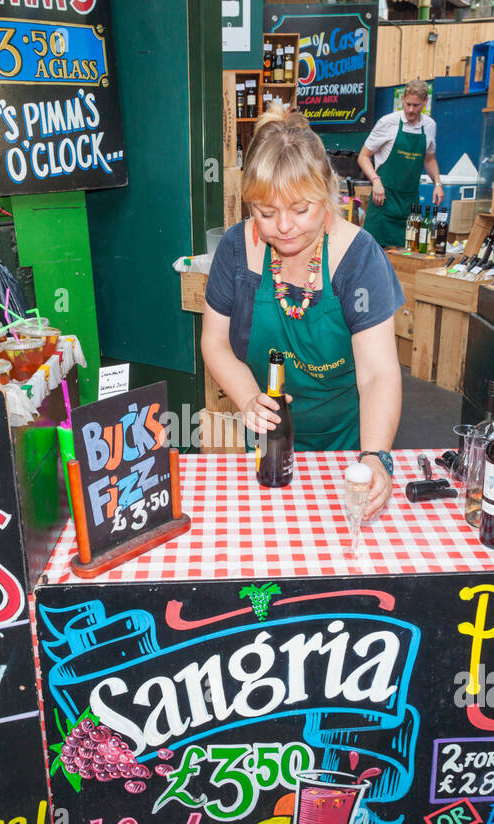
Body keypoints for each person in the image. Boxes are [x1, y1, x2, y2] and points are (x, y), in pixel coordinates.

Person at [202, 104, 403, 518]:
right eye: (266, 212)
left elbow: (378, 373)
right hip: (265, 445)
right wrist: (247, 398)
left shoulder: (359, 258)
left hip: (347, 450)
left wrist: (375, 457)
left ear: (327, 192)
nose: (284, 227)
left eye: (300, 209)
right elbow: (215, 342)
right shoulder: (236, 252)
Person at [358, 79, 444, 248]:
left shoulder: (429, 126)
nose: (411, 110)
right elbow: (363, 156)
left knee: (407, 255)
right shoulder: (387, 122)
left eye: (416, 105)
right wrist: (375, 180)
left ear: (426, 102)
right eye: (408, 104)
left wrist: (438, 183)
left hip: (410, 204)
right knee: (374, 253)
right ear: (403, 99)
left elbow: (429, 158)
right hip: (383, 201)